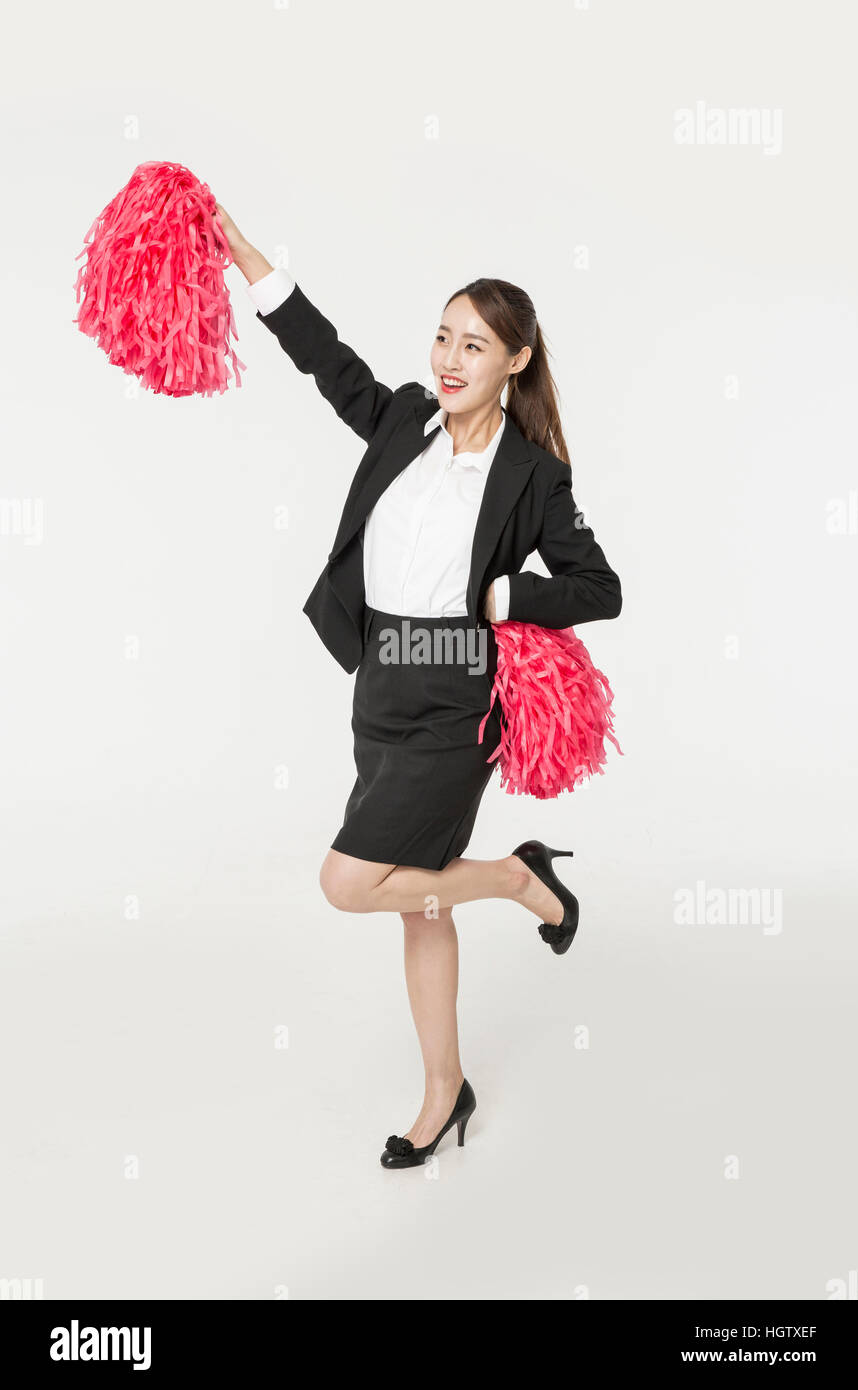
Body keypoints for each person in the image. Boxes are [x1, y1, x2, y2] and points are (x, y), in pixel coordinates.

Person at [214, 204, 623, 1169]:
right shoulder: (403, 416)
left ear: (514, 361)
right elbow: (325, 357)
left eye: (473, 344)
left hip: (456, 698)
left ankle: (522, 880)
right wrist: (242, 256)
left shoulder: (532, 477)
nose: (449, 356)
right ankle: (445, 1089)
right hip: (381, 684)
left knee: (347, 881)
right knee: (416, 901)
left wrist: (510, 591)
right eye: (442, 335)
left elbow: (600, 588)